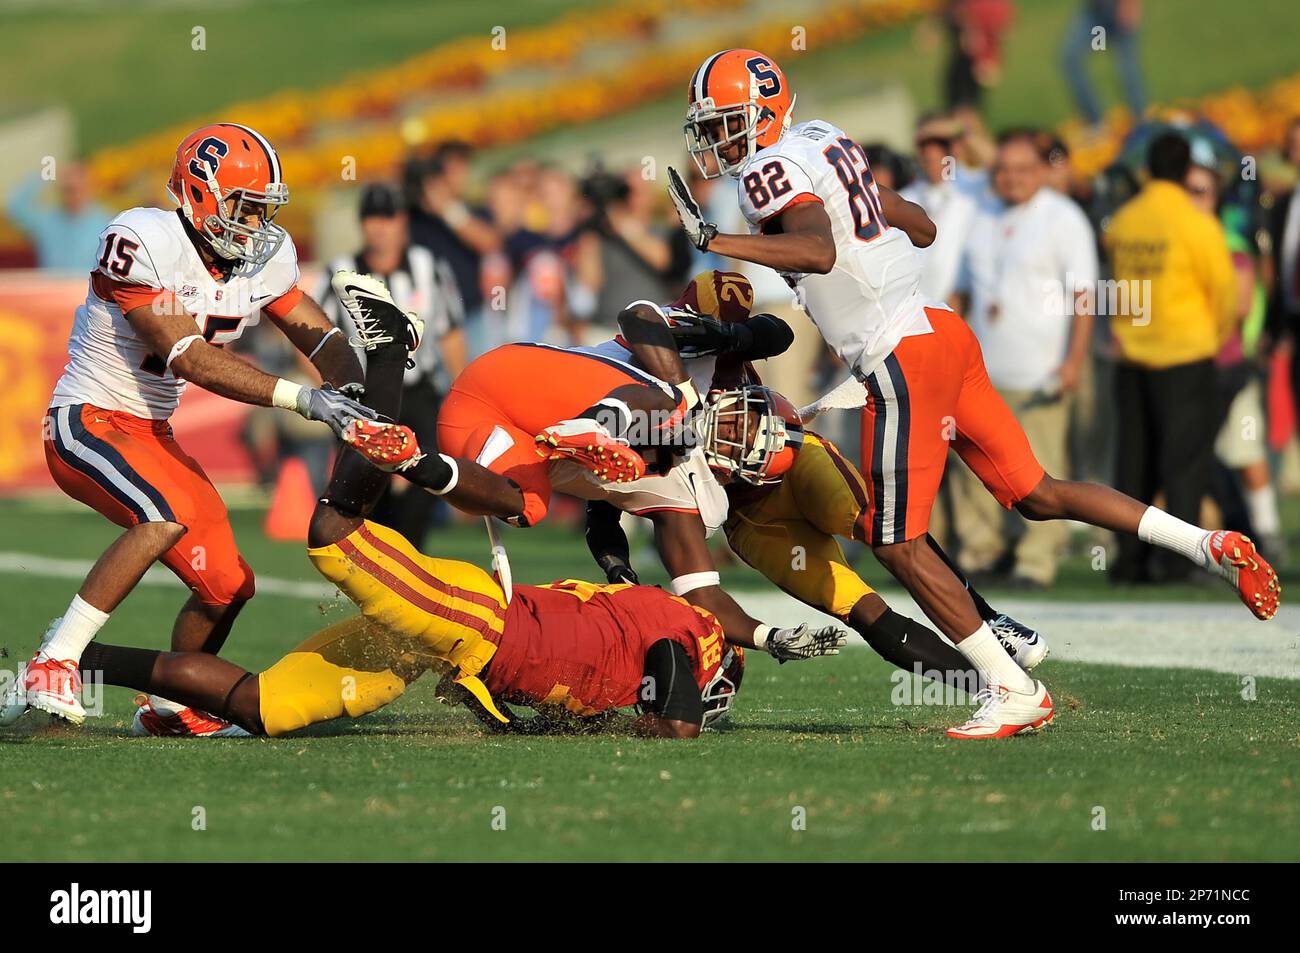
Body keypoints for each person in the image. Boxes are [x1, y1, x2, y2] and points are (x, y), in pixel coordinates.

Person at [666, 49, 1280, 738]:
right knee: (1039, 492)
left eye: (725, 124)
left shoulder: (766, 169)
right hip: (942, 330)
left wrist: (721, 239)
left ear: (761, 114)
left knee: (898, 544)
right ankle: (1205, 542)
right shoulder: (823, 138)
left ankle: (1012, 684)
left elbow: (817, 250)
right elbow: (916, 221)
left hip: (901, 352)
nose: (719, 141)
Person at [89, 273, 745, 740]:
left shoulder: (636, 619)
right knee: (332, 535)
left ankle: (70, 662)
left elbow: (602, 635)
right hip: (476, 622)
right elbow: (675, 696)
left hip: (440, 645)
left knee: (260, 706)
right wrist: (686, 703)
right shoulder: (691, 636)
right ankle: (390, 356)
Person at [2, 124, 380, 728]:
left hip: (153, 434)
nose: (257, 225)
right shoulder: (144, 240)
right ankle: (56, 658)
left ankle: (173, 703)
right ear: (202, 195)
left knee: (228, 585)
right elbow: (188, 356)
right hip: (87, 421)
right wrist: (307, 400)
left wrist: (359, 386)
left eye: (262, 209)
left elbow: (316, 330)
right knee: (164, 516)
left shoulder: (259, 257)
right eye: (245, 208)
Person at [950, 130, 1098, 588]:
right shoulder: (983, 215)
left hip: (1040, 367)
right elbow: (962, 292)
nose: (1012, 179)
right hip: (983, 369)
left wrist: (1073, 360)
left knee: (1040, 470)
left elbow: (1084, 296)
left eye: (1022, 170)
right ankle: (981, 552)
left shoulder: (1063, 217)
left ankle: (1036, 561)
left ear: (1040, 172)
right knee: (973, 463)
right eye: (1004, 171)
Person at [1105, 131, 1239, 583]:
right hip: (1186, 355)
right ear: (1186, 171)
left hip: (1132, 358)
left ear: (1147, 169)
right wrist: (1214, 336)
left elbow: (1117, 287)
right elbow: (1224, 292)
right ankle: (1179, 562)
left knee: (1132, 463)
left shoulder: (1124, 221)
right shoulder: (1198, 222)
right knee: (1183, 466)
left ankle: (1129, 560)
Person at [320, 182, 467, 548]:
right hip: (363, 397)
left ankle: (411, 555)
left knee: (426, 479)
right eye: (372, 218)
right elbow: (316, 340)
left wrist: (460, 392)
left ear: (402, 221)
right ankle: (385, 564)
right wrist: (334, 393)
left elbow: (450, 334)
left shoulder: (427, 267)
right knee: (369, 487)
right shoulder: (340, 273)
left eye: (387, 218)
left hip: (419, 391)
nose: (379, 228)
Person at [898, 119, 979, 304]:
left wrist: (957, 129)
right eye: (927, 160)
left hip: (961, 299)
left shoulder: (970, 187)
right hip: (921, 300)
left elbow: (993, 160)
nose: (933, 166)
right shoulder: (907, 197)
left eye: (939, 160)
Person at [5, 161, 109, 270]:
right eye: (68, 189)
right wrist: (46, 175)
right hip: (50, 285)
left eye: (79, 188)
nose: (74, 195)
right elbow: (15, 207)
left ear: (90, 188)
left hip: (87, 285)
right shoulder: (47, 222)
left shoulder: (107, 223)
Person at [1061, 0, 1147, 129]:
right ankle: (1096, 122)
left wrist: (1130, 4)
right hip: (1094, 12)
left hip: (1118, 8)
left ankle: (1142, 120)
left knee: (1126, 68)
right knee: (1070, 58)